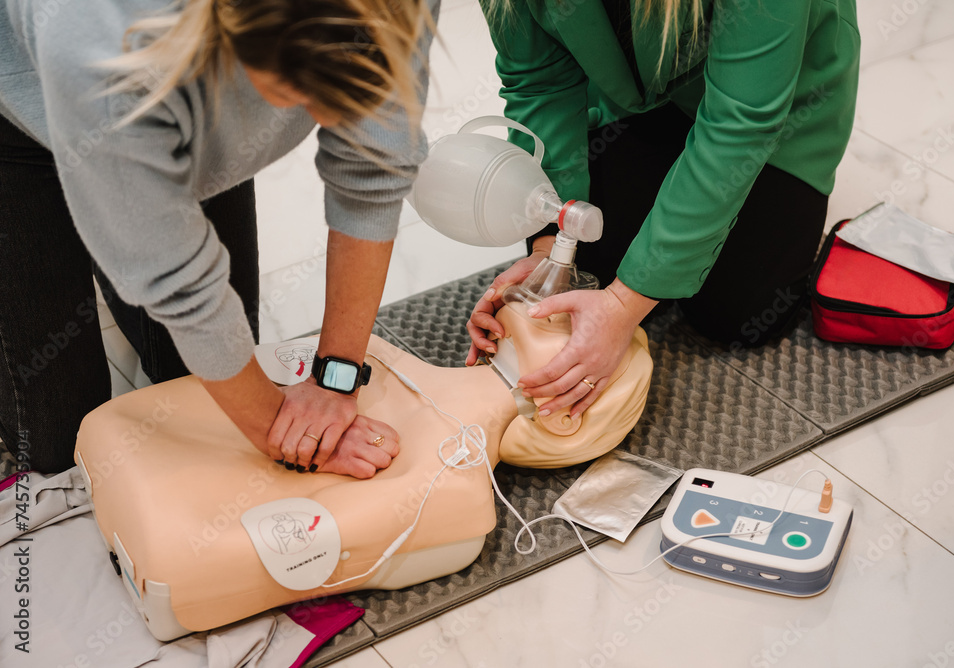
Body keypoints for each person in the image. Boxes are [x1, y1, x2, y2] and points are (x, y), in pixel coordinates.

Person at [0, 0, 439, 476]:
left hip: (168, 104)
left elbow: (373, 169)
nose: (328, 114)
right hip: (18, 124)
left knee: (194, 386)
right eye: (302, 86)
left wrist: (336, 380)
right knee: (58, 444)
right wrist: (287, 436)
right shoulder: (101, 35)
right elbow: (180, 284)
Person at [466, 0, 860, 419]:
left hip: (773, 103)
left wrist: (623, 306)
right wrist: (548, 249)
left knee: (739, 319)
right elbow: (539, 83)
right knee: (588, 271)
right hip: (640, 96)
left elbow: (739, 125)